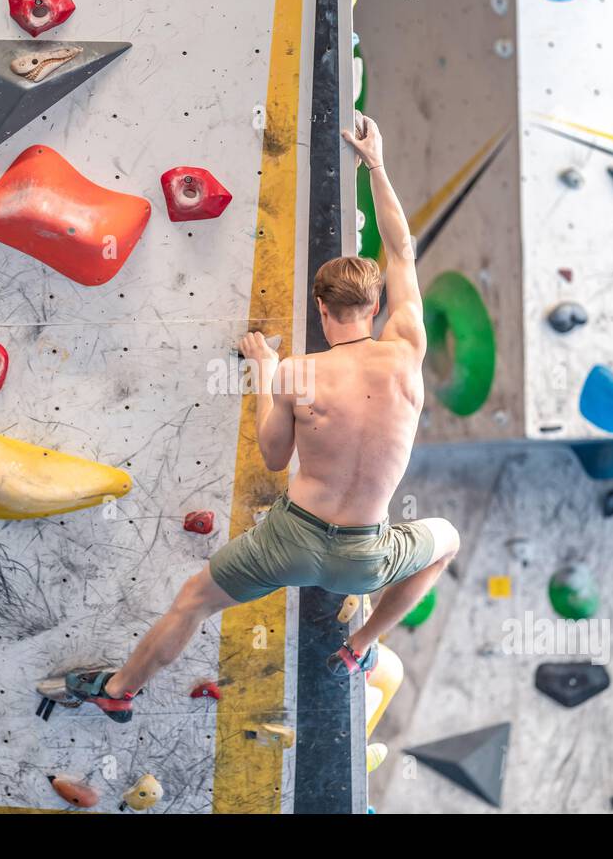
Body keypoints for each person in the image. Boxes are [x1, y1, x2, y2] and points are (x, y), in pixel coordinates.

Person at [49, 113, 460, 722]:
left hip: (290, 542)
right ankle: (360, 649)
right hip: (363, 558)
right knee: (445, 541)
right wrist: (375, 161)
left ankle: (120, 691)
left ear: (321, 309)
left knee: (192, 601)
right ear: (375, 306)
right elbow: (400, 247)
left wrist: (265, 369)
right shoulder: (406, 349)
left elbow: (271, 458)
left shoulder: (297, 372)